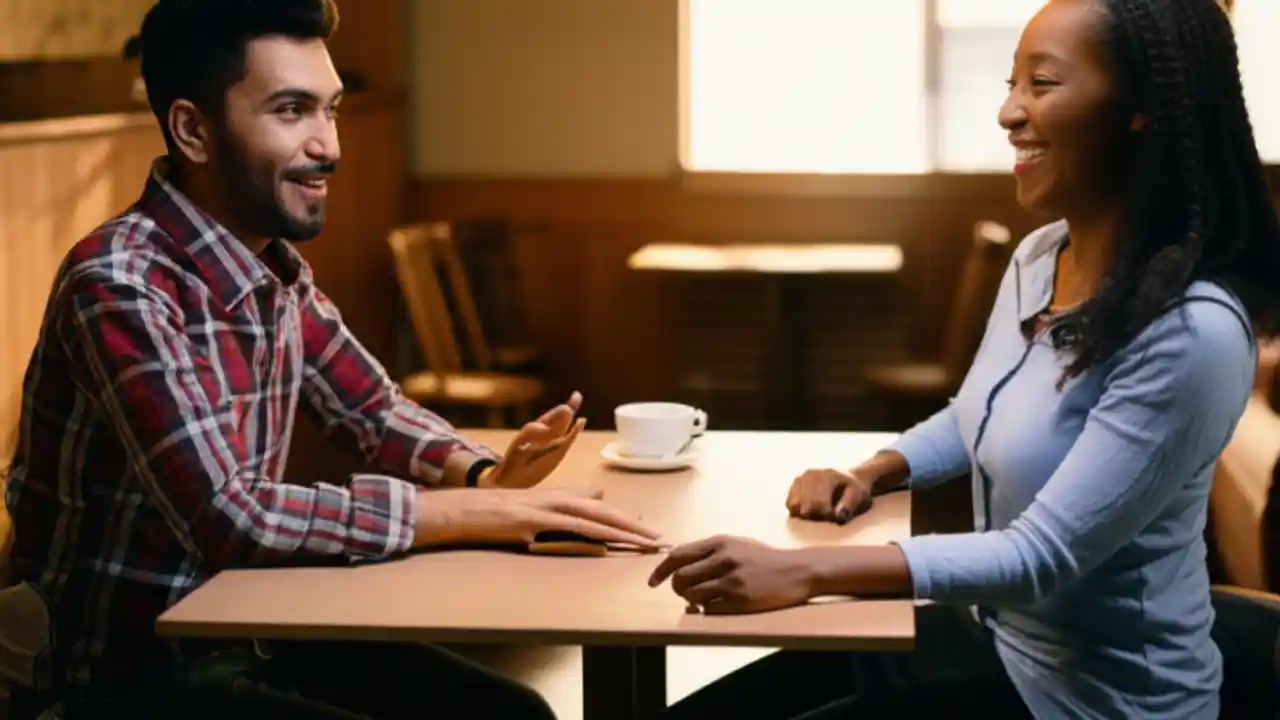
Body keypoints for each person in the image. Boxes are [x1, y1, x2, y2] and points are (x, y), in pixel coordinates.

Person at [2, 1, 662, 718]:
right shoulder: (119, 283)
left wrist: (484, 473)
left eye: (331, 109)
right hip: (122, 673)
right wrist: (472, 512)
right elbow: (231, 516)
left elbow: (371, 408)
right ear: (193, 129)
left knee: (512, 714)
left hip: (253, 626)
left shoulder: (276, 269)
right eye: (292, 112)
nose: (330, 146)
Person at [651, 0, 1280, 718]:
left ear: (1143, 107)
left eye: (1041, 84)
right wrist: (873, 471)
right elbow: (974, 415)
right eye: (1011, 83)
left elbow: (1036, 557)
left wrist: (802, 571)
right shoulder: (1041, 256)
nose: (1009, 111)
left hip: (1091, 702)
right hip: (994, 638)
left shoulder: (1192, 333)